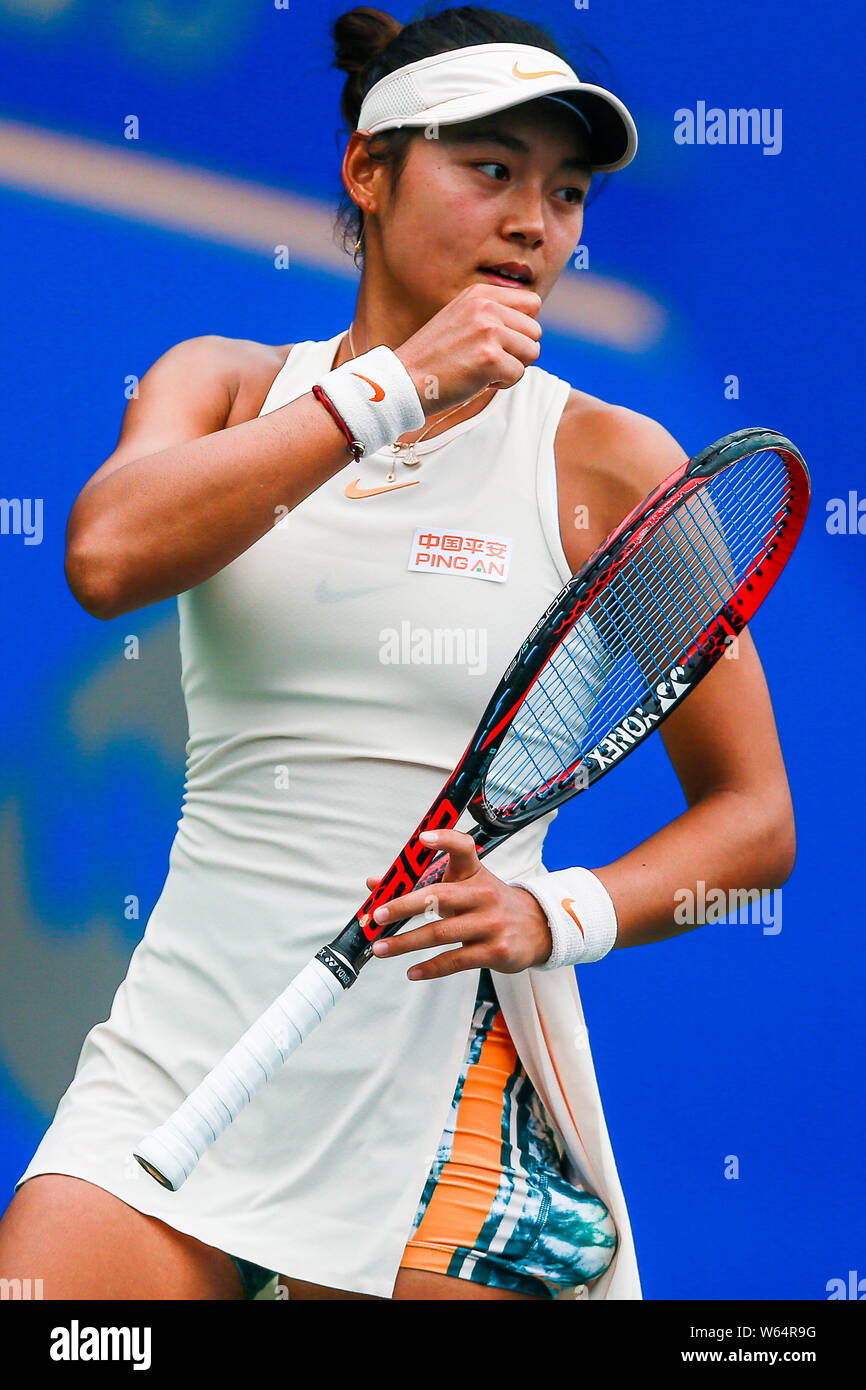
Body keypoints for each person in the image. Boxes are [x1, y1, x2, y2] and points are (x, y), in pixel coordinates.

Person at [0, 5, 795, 1301]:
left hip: (441, 1093)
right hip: (181, 1054)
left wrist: (549, 910)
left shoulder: (615, 464)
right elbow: (106, 556)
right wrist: (392, 390)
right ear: (366, 173)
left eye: (567, 191)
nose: (534, 220)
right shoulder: (221, 385)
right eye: (489, 172)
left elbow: (753, 818)